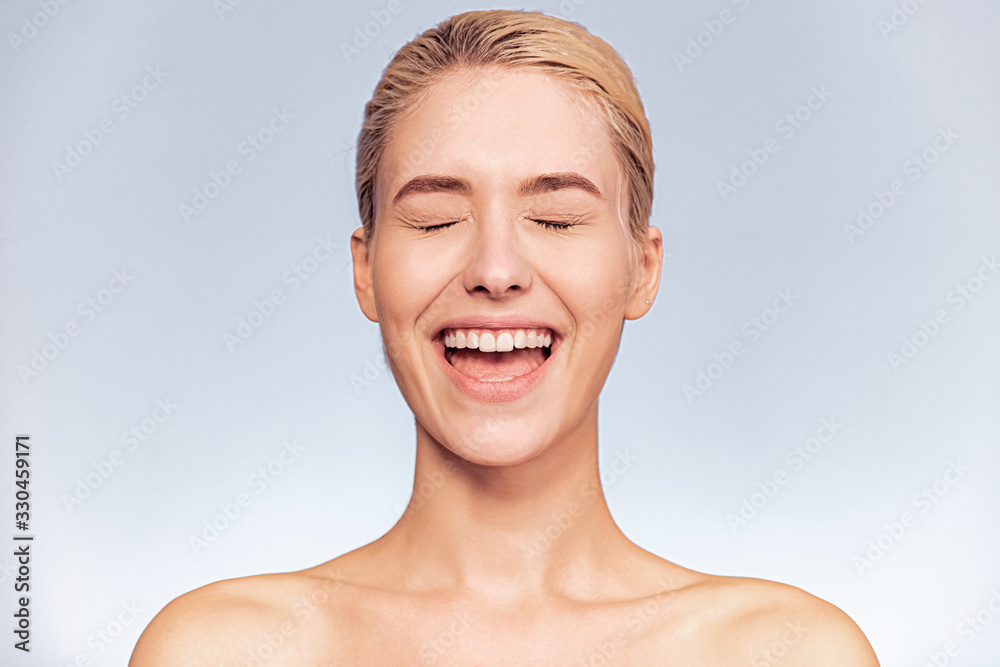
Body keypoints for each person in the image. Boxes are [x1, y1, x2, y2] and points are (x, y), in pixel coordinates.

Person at [131, 9, 879, 664]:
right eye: (434, 220)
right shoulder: (221, 651)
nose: (495, 269)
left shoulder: (785, 653)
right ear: (366, 270)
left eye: (555, 218)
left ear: (641, 269)